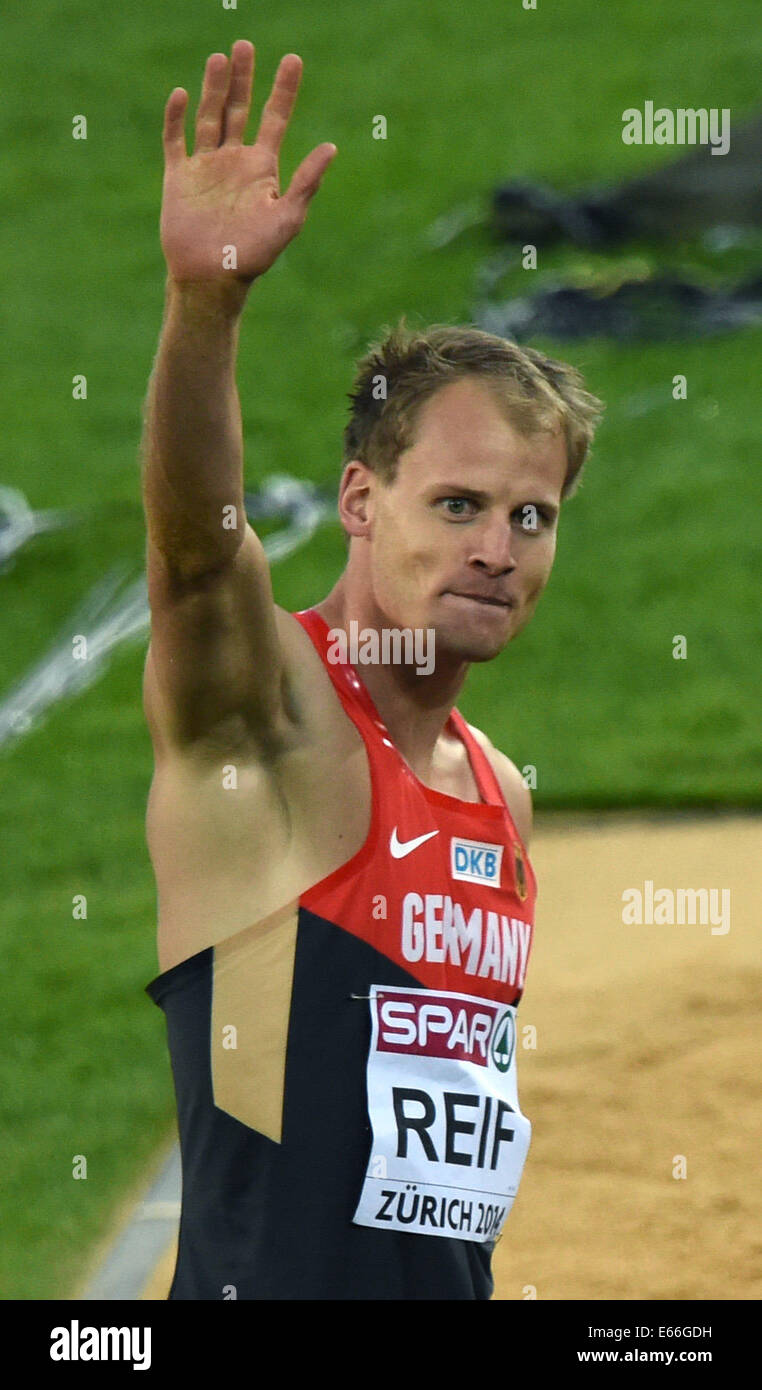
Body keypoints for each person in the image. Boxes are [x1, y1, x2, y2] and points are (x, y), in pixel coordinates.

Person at [141, 38, 602, 1300]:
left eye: (531, 517)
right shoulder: (272, 725)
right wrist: (207, 307)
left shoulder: (495, 795)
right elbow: (192, 554)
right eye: (457, 504)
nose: (497, 550)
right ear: (359, 497)